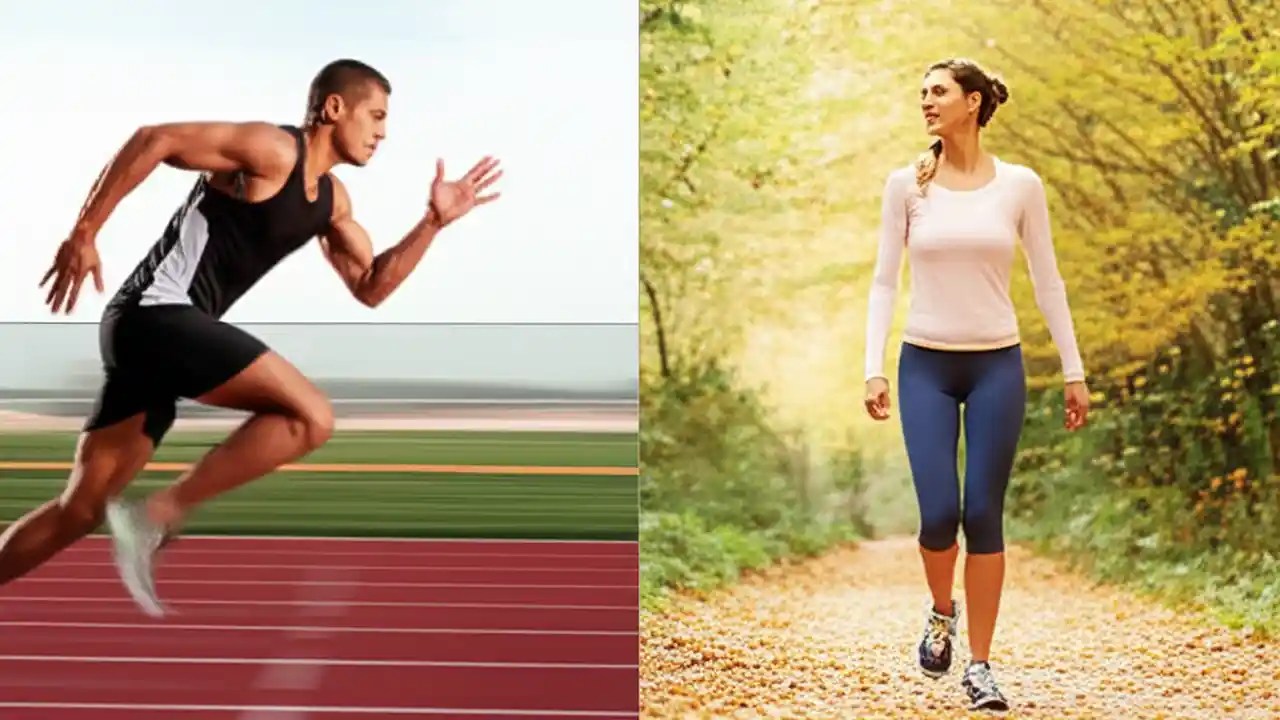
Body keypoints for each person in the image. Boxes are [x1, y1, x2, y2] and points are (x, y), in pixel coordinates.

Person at [1, 58, 502, 617]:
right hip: (155, 316)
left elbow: (371, 286)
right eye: (377, 115)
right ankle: (157, 515)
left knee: (80, 510)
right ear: (335, 108)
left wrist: (432, 223)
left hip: (152, 340)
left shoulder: (332, 202)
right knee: (311, 417)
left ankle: (139, 521)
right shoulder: (272, 150)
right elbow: (154, 139)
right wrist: (85, 232)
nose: (383, 132)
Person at [862, 58, 1089, 713]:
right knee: (939, 513)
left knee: (984, 513)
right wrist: (873, 364)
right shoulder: (907, 185)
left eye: (938, 91)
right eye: (922, 93)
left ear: (973, 102)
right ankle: (942, 612)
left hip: (997, 367)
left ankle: (981, 666)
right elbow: (884, 281)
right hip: (925, 367)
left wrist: (1073, 369)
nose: (926, 102)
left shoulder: (1020, 186)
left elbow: (1048, 281)